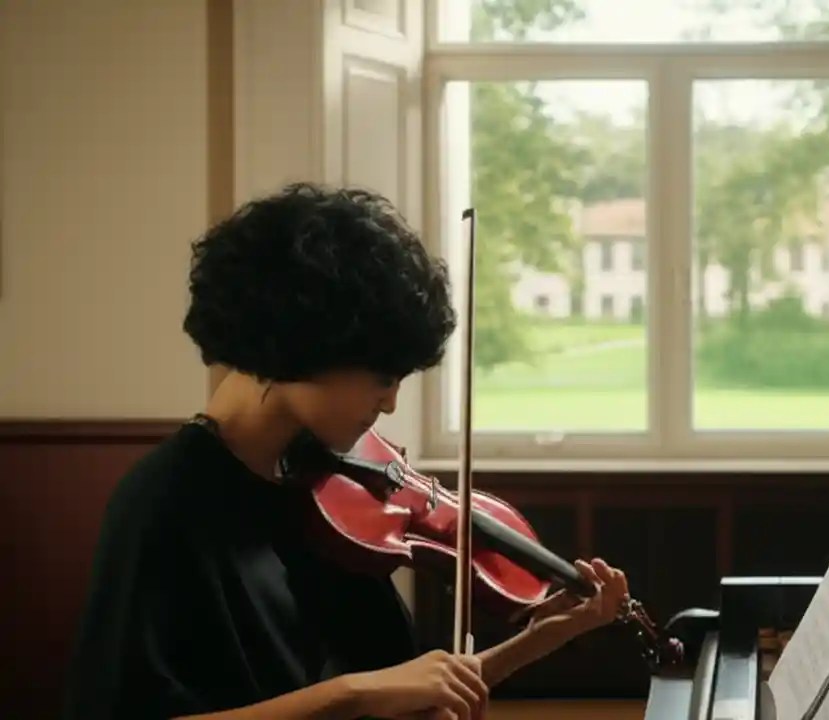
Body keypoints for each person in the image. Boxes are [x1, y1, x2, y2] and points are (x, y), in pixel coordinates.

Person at [62, 183, 632, 720]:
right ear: (303, 344)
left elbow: (408, 696)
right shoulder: (164, 505)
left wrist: (540, 638)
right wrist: (353, 693)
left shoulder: (325, 494)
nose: (388, 404)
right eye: (382, 378)